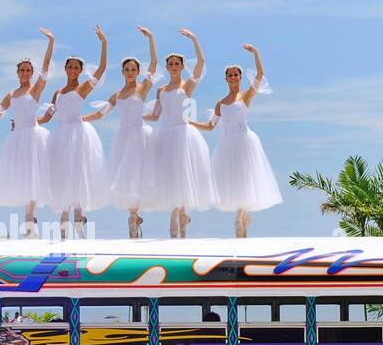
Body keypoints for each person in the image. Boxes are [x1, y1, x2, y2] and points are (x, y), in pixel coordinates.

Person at [190, 43, 281, 236]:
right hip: (227, 144)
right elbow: (210, 126)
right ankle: (243, 218)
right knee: (234, 181)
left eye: (235, 74)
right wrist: (189, 122)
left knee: (246, 178)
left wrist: (256, 52)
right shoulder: (220, 104)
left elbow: (259, 76)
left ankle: (241, 216)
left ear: (240, 77)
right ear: (225, 78)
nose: (233, 77)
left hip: (245, 142)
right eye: (230, 75)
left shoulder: (245, 96)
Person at [83, 27, 158, 237]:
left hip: (140, 135)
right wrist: (79, 119)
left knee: (139, 174)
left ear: (137, 71)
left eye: (134, 69)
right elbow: (100, 114)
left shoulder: (143, 87)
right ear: (123, 72)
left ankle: (135, 215)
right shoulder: (117, 94)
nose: (131, 72)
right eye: (127, 69)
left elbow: (154, 64)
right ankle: (133, 215)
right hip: (124, 136)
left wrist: (151, 38)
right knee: (127, 175)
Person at [0, 27, 55, 237]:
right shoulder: (11, 94)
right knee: (23, 178)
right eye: (21, 70)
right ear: (17, 73)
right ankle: (29, 218)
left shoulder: (36, 89)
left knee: (34, 177)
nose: (25, 73)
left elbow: (46, 67)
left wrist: (51, 41)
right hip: (17, 138)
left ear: (31, 73)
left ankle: (29, 221)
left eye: (27, 70)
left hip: (33, 135)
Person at [39, 26, 109, 238]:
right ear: (65, 69)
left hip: (77, 135)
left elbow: (101, 71)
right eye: (70, 67)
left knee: (77, 177)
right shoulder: (57, 92)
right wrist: (28, 123)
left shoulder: (83, 88)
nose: (73, 71)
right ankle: (62, 230)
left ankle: (79, 231)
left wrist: (104, 44)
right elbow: (47, 117)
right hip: (60, 136)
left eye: (76, 68)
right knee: (62, 177)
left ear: (80, 70)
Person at [148, 28, 216, 237]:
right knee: (170, 174)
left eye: (178, 64)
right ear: (167, 67)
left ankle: (179, 214)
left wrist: (194, 39)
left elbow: (201, 64)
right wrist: (133, 119)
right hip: (166, 133)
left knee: (182, 173)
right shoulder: (160, 90)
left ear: (182, 66)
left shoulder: (186, 86)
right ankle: (180, 213)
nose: (174, 67)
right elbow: (156, 114)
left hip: (183, 133)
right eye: (171, 64)